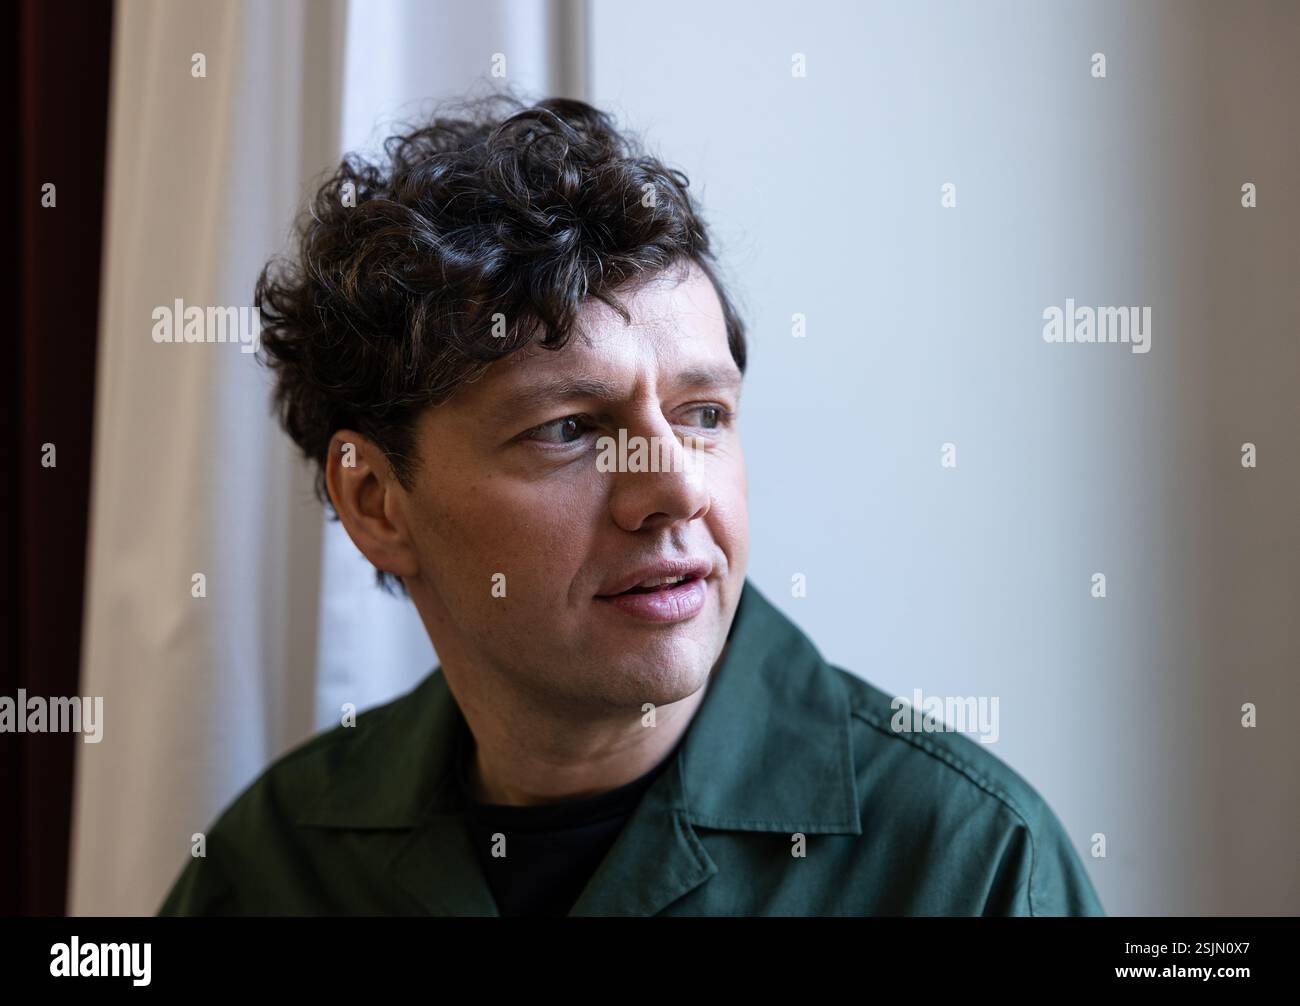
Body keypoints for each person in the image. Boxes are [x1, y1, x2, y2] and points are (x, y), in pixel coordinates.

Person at [158, 92, 1104, 917]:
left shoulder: (971, 866)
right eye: (568, 428)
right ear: (376, 502)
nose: (677, 487)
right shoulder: (276, 862)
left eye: (703, 414)